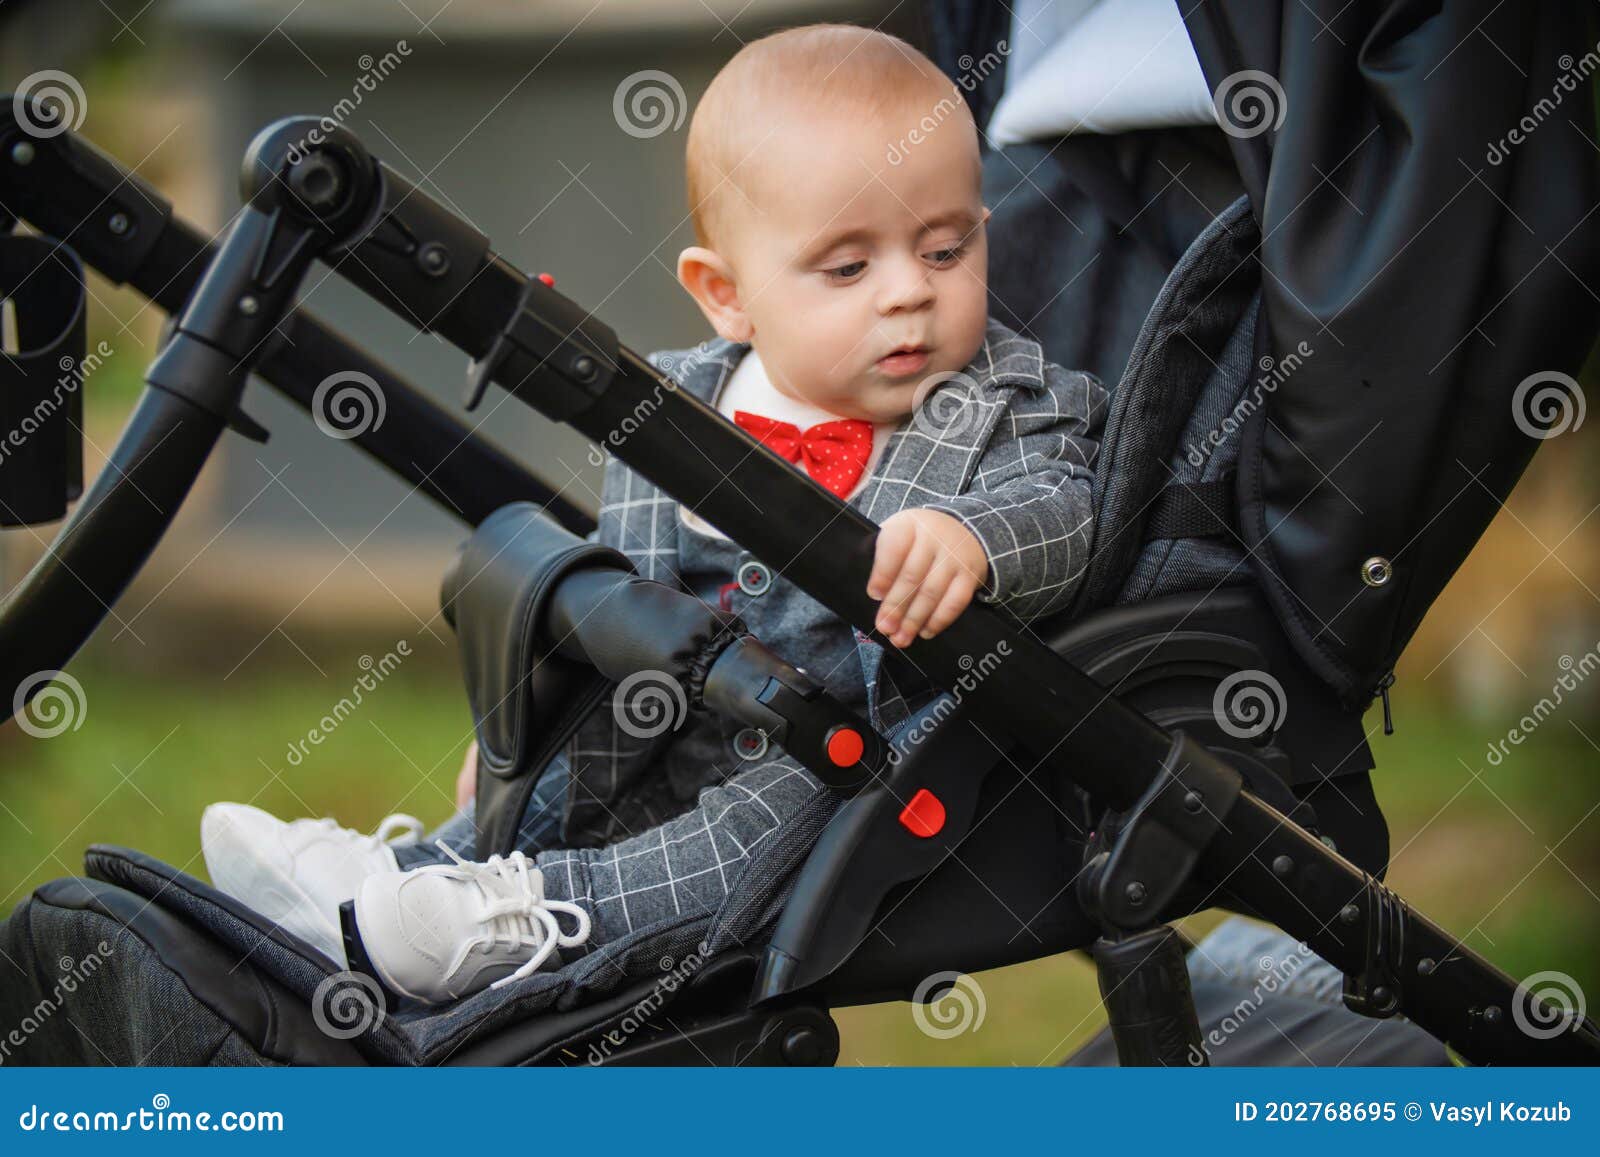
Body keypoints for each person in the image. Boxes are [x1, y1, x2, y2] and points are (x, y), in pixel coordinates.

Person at [201, 22, 1108, 1004]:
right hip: (665, 704)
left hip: (849, 744)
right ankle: (411, 875)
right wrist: (523, 738)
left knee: (757, 828)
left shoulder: (1014, 399)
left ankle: (529, 914)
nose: (907, 293)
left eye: (946, 247)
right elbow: (627, 573)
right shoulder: (672, 402)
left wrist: (975, 539)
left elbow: (1067, 506)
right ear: (727, 295)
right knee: (557, 769)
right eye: (848, 268)